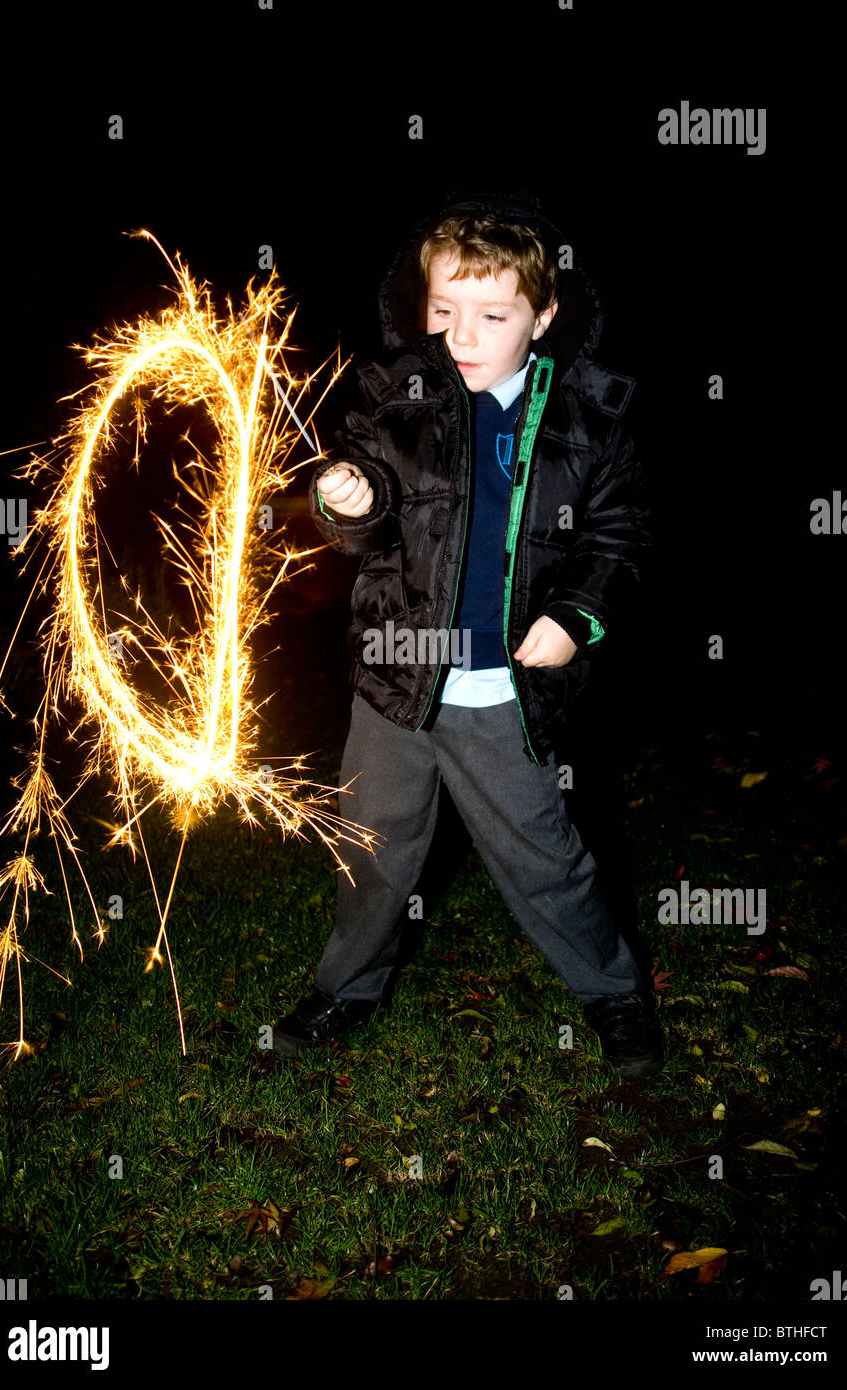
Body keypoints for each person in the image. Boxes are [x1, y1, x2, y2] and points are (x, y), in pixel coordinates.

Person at [273, 187, 664, 1079]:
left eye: (492, 314)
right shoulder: (392, 403)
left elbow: (620, 543)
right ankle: (345, 988)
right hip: (395, 692)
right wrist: (347, 507)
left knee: (546, 863)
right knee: (373, 854)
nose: (462, 334)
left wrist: (576, 618)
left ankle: (614, 998)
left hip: (501, 695)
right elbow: (361, 521)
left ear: (544, 314)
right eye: (443, 310)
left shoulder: (584, 420)